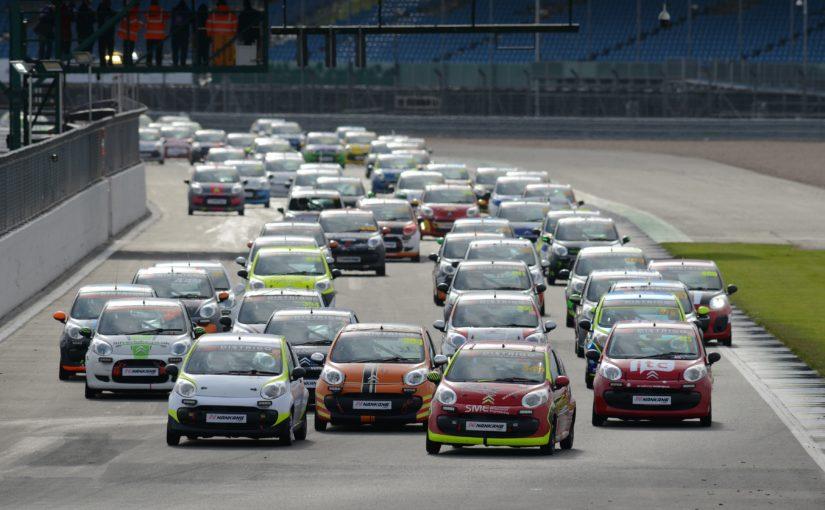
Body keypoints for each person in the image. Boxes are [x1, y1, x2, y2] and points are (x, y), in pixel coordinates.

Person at [206, 0, 238, 66]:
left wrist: (209, 35)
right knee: (228, 51)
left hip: (216, 37)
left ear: (217, 6)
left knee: (217, 52)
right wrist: (234, 35)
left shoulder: (213, 15)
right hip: (229, 37)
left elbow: (208, 25)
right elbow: (235, 27)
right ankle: (229, 64)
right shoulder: (232, 15)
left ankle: (218, 64)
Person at [144, 0, 169, 66]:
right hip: (159, 36)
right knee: (159, 51)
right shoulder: (161, 11)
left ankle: (149, 63)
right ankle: (158, 63)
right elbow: (167, 16)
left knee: (149, 51)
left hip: (149, 35)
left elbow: (145, 17)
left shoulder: (148, 11)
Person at [170, 0, 192, 66]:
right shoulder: (187, 10)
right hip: (184, 33)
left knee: (175, 50)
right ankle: (183, 63)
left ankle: (175, 63)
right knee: (184, 49)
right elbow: (191, 20)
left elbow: (173, 21)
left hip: (175, 33)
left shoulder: (175, 10)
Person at [96, 0, 116, 65]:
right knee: (108, 48)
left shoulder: (101, 10)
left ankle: (104, 62)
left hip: (105, 33)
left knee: (103, 48)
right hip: (107, 33)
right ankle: (108, 61)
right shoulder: (107, 11)